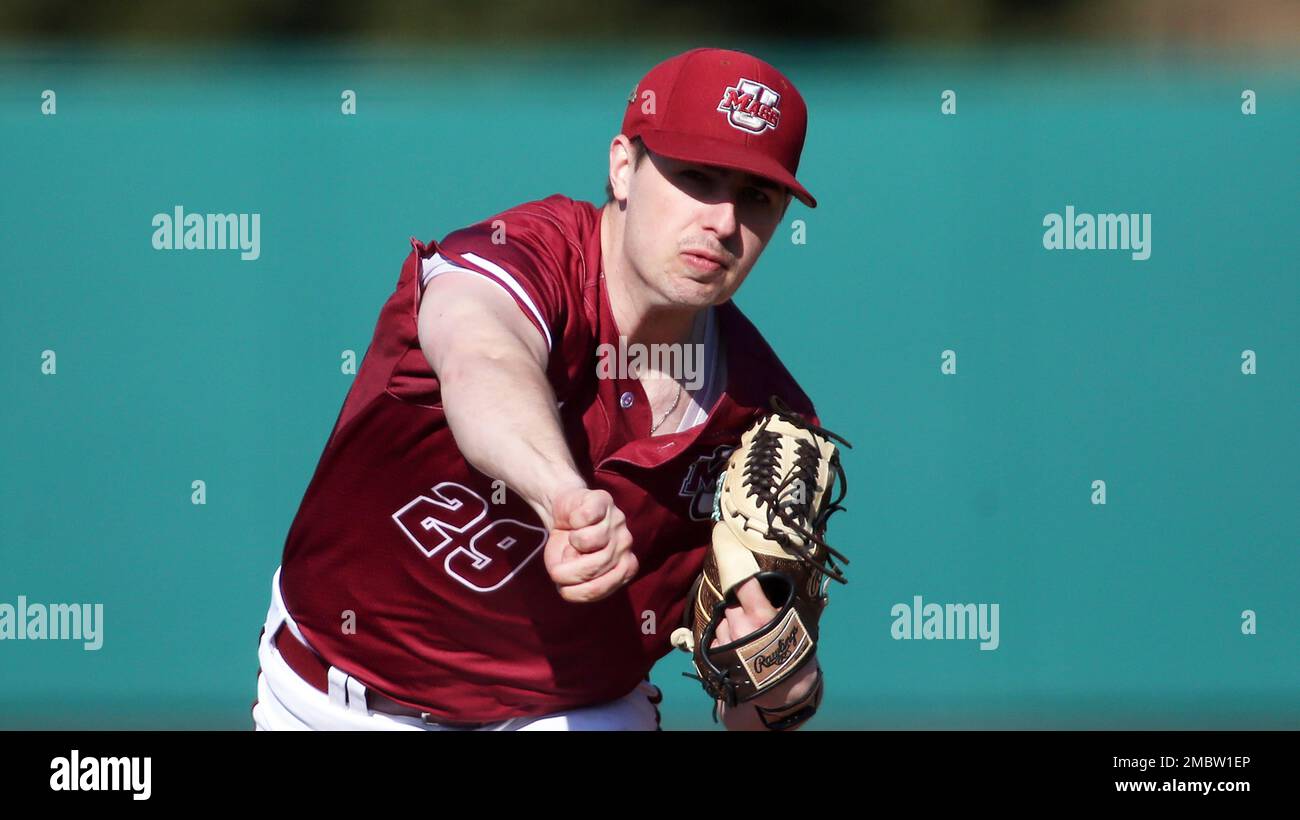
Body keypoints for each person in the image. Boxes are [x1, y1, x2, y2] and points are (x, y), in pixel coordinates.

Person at [252, 46, 827, 731]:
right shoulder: (525, 257)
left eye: (755, 196)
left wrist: (779, 678)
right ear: (623, 167)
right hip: (337, 700)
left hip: (576, 715)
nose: (724, 222)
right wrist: (561, 497)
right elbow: (481, 356)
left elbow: (752, 716)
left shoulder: (764, 421)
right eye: (696, 178)